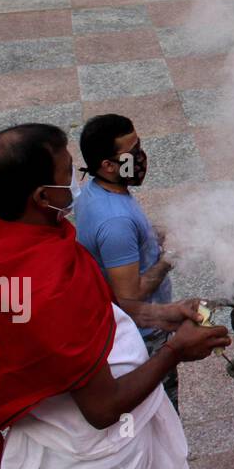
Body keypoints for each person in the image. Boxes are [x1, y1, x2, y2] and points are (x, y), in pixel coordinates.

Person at [0, 124, 229, 469]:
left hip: (52, 424)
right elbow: (102, 409)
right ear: (41, 196)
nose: (77, 181)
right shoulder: (50, 287)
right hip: (96, 453)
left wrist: (160, 315)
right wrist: (175, 351)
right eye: (68, 172)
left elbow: (90, 312)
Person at [75, 114, 178, 409]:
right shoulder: (116, 220)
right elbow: (129, 295)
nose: (141, 158)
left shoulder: (94, 192)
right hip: (144, 334)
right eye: (132, 154)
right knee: (162, 412)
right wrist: (170, 259)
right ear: (107, 165)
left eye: (140, 146)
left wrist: (149, 236)